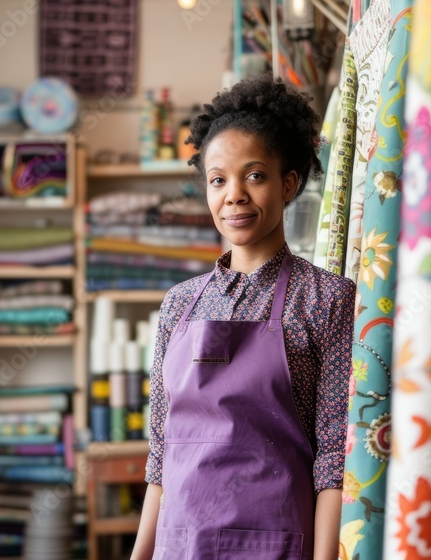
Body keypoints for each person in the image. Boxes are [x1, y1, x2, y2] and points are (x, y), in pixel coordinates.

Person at [129, 74, 355, 560]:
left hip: (277, 545)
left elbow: (334, 462)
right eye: (218, 180)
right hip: (180, 546)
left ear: (288, 183)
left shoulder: (327, 299)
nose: (234, 195)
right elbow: (160, 457)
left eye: (253, 175)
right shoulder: (178, 304)